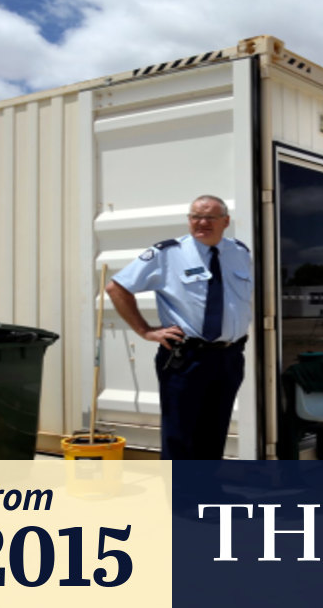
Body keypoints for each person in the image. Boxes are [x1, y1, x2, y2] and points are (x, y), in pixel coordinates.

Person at [106, 195, 252, 460]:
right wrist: (145, 331)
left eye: (210, 217)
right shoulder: (168, 253)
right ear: (189, 220)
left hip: (228, 358)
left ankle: (206, 492)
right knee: (180, 434)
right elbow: (116, 288)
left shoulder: (239, 252)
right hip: (186, 359)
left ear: (225, 221)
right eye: (196, 216)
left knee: (215, 431)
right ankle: (178, 499)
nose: (202, 222)